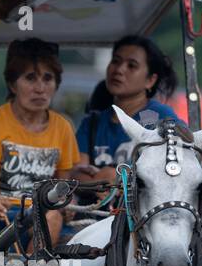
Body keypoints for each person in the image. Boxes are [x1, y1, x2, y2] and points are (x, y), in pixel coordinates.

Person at [0, 37, 82, 249]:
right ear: (12, 84)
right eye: (30, 78)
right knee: (51, 217)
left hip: (45, 218)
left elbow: (63, 190)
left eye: (48, 78)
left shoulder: (63, 127)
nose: (40, 88)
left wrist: (67, 206)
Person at [75, 35, 181, 185]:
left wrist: (119, 177)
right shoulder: (92, 122)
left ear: (150, 80)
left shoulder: (162, 118)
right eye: (116, 61)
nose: (119, 69)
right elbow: (76, 174)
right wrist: (101, 181)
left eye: (132, 65)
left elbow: (178, 169)